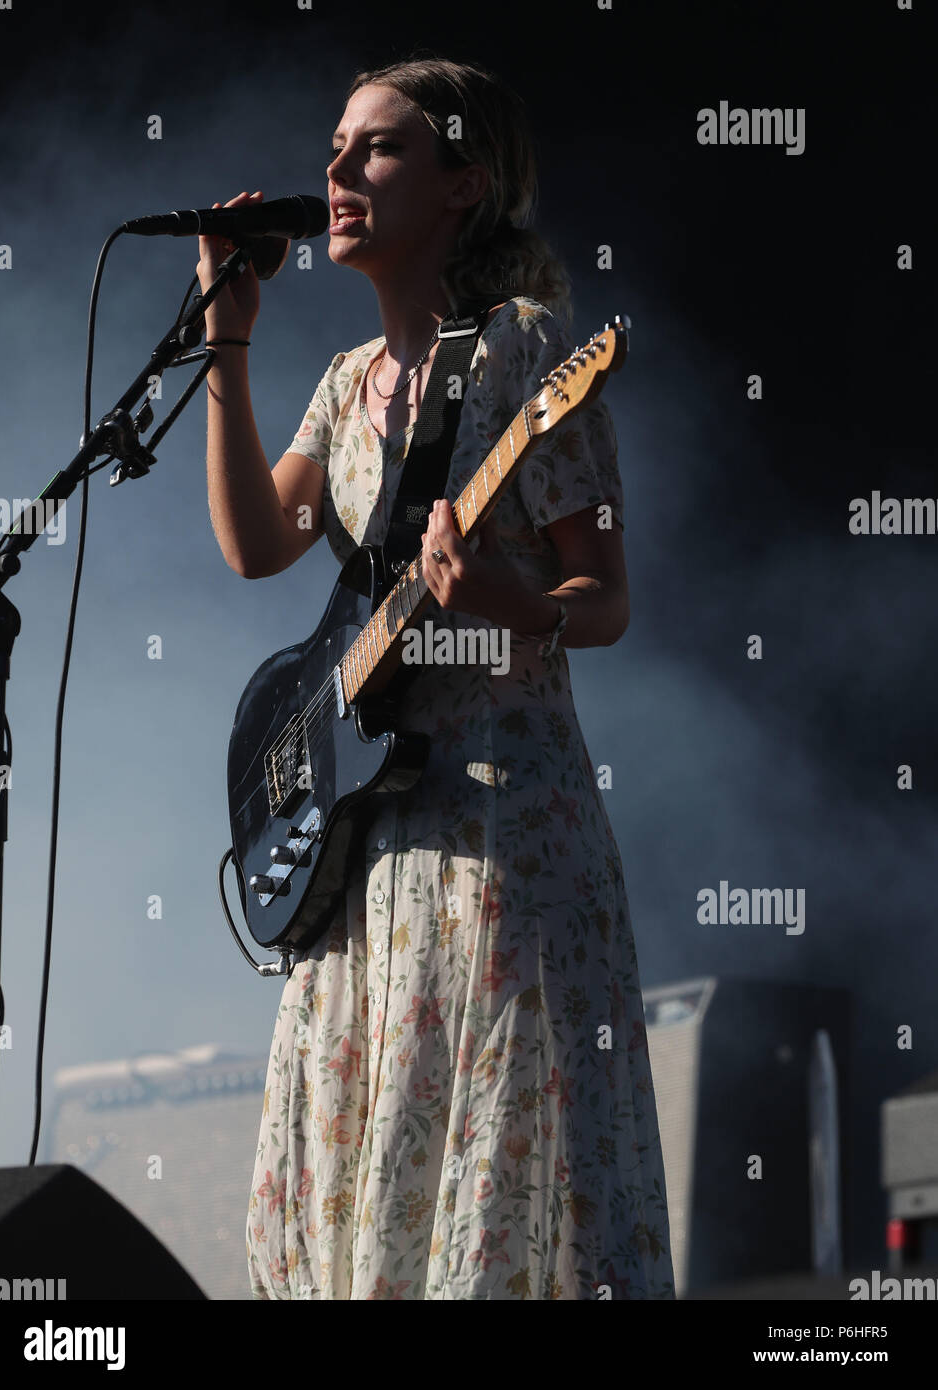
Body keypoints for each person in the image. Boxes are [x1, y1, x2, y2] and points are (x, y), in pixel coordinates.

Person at [199, 55, 675, 1301]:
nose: (337, 172)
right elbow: (259, 546)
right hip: (366, 857)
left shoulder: (527, 353)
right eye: (337, 146)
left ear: (465, 184)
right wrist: (228, 342)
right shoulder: (343, 386)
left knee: (491, 1197)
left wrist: (499, 599)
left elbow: (605, 601)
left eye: (378, 149)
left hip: (503, 840)